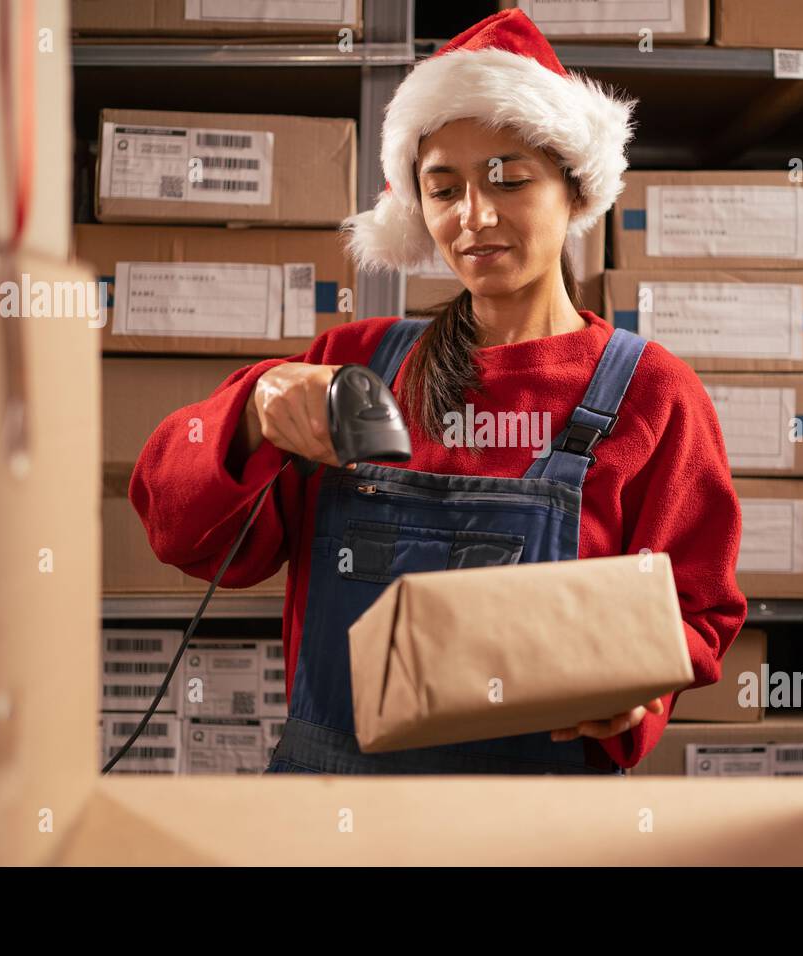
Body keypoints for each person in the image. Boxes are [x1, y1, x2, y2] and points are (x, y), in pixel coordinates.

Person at [130, 9, 747, 775]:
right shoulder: (354, 366)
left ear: (573, 187)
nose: (474, 217)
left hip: (540, 826)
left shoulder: (651, 394)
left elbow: (695, 613)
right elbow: (179, 530)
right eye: (442, 188)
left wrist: (641, 696)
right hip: (337, 818)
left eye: (509, 179)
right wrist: (254, 410)